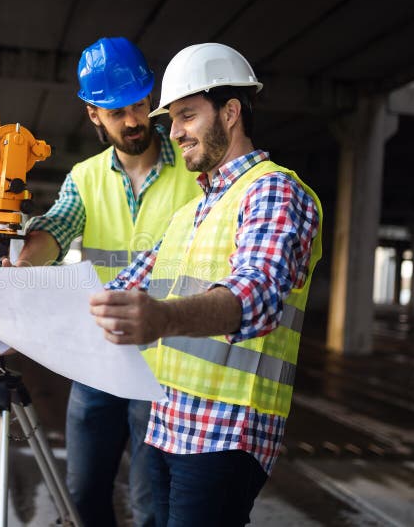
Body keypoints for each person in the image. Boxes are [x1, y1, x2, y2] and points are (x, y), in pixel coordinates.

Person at [86, 43, 323, 526]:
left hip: (226, 432)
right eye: (171, 119)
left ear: (231, 112)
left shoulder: (273, 189)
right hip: (169, 424)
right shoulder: (190, 212)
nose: (172, 133)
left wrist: (164, 317)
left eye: (187, 116)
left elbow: (257, 296)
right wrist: (6, 328)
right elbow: (113, 297)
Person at [0, 37, 200, 527]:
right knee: (82, 496)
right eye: (117, 112)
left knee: (151, 502)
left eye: (140, 104)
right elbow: (56, 229)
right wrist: (17, 270)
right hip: (98, 360)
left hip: (167, 364)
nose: (134, 120)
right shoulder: (85, 177)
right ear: (93, 114)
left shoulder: (194, 170)